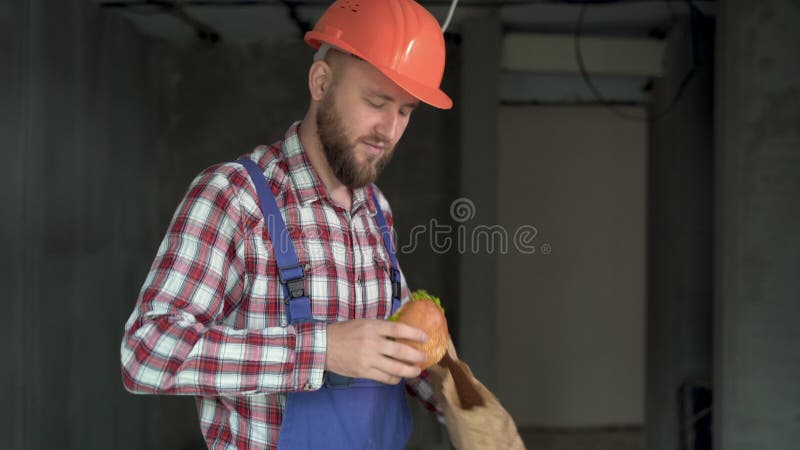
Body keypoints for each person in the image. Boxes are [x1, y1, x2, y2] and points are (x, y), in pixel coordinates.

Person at [120, 0, 453, 449]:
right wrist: (321, 350)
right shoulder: (235, 198)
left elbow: (397, 346)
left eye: (406, 112)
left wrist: (463, 403)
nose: (389, 130)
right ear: (321, 82)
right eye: (376, 102)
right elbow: (147, 354)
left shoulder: (376, 208)